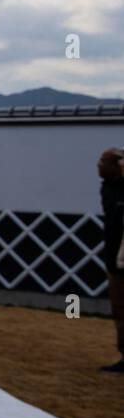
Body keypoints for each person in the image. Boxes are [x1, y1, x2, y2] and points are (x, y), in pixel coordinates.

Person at [97, 148, 124, 373]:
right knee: (119, 309)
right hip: (115, 258)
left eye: (103, 162)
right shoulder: (107, 189)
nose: (99, 165)